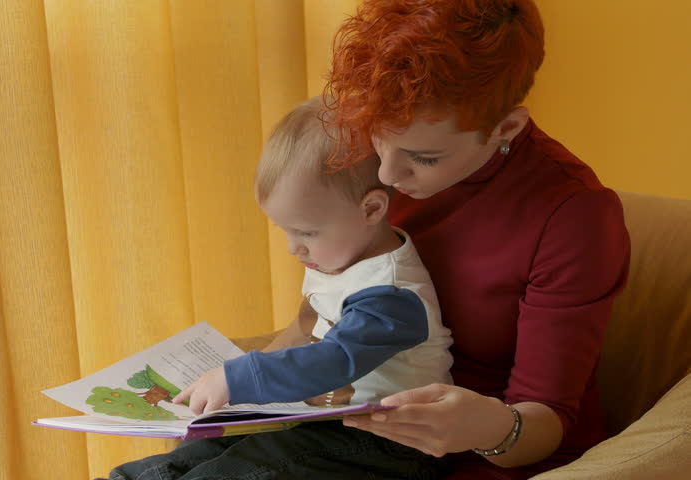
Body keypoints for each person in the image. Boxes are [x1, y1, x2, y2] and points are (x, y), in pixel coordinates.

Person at [316, 1, 631, 479]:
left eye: (423, 157)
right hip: (356, 432)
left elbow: (546, 418)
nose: (385, 173)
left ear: (507, 128)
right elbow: (319, 306)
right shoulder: (380, 143)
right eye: (379, 137)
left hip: (490, 458)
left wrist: (486, 428)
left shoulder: (575, 217)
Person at [96, 95, 454, 480]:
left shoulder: (392, 295)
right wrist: (231, 385)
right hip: (325, 423)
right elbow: (305, 328)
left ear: (371, 210)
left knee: (244, 468)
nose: (292, 247)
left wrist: (242, 376)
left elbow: (336, 360)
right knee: (199, 450)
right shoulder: (338, 254)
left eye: (306, 232)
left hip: (393, 443)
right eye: (285, 230)